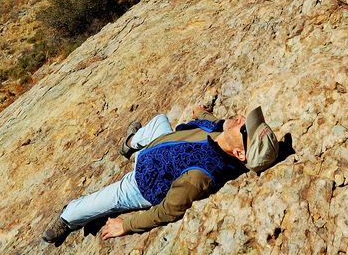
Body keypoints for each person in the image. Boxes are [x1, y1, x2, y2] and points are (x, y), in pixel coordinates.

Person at [42, 104, 279, 244]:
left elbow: (168, 210)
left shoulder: (201, 175)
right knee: (159, 121)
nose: (240, 119)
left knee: (88, 206)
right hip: (156, 147)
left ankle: (67, 219)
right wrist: (203, 114)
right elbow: (211, 124)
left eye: (244, 127)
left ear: (240, 154)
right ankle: (131, 142)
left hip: (141, 183)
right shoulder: (223, 135)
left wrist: (128, 225)